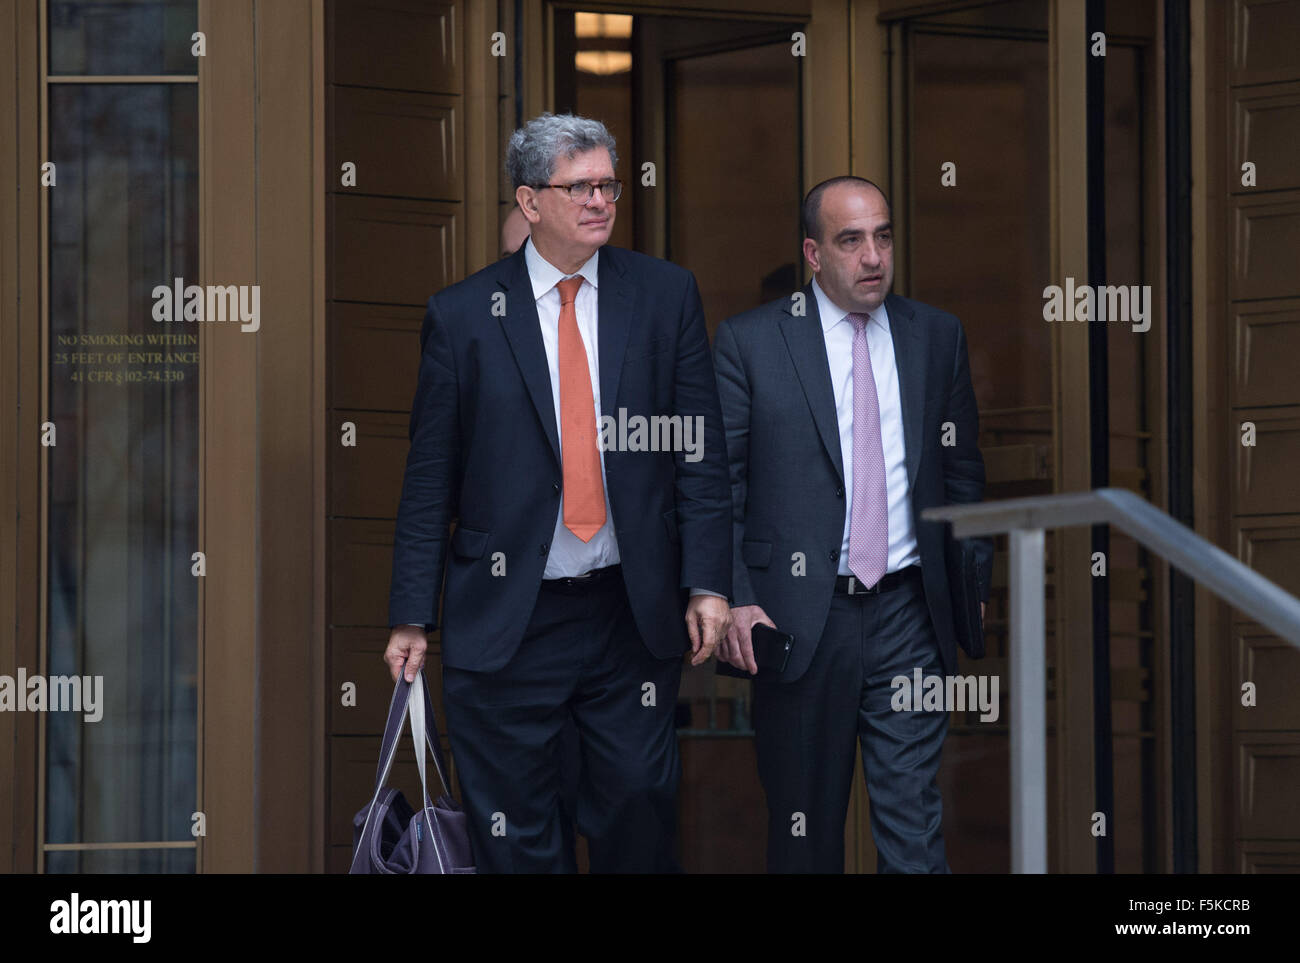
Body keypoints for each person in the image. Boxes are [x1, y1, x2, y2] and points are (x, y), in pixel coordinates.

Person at [385, 112, 733, 873]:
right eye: (580, 186)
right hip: (509, 616)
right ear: (530, 200)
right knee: (517, 836)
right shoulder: (464, 314)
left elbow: (698, 452)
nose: (601, 199)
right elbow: (428, 476)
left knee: (638, 806)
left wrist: (709, 579)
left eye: (608, 183)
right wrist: (413, 611)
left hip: (625, 611)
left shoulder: (665, 294)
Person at [713, 175, 992, 873]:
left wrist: (970, 584)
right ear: (813, 253)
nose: (873, 256)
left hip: (908, 613)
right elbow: (721, 485)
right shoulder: (751, 343)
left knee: (914, 824)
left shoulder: (937, 336)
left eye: (883, 236)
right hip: (800, 618)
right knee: (805, 835)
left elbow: (962, 472)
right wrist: (736, 595)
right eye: (850, 240)